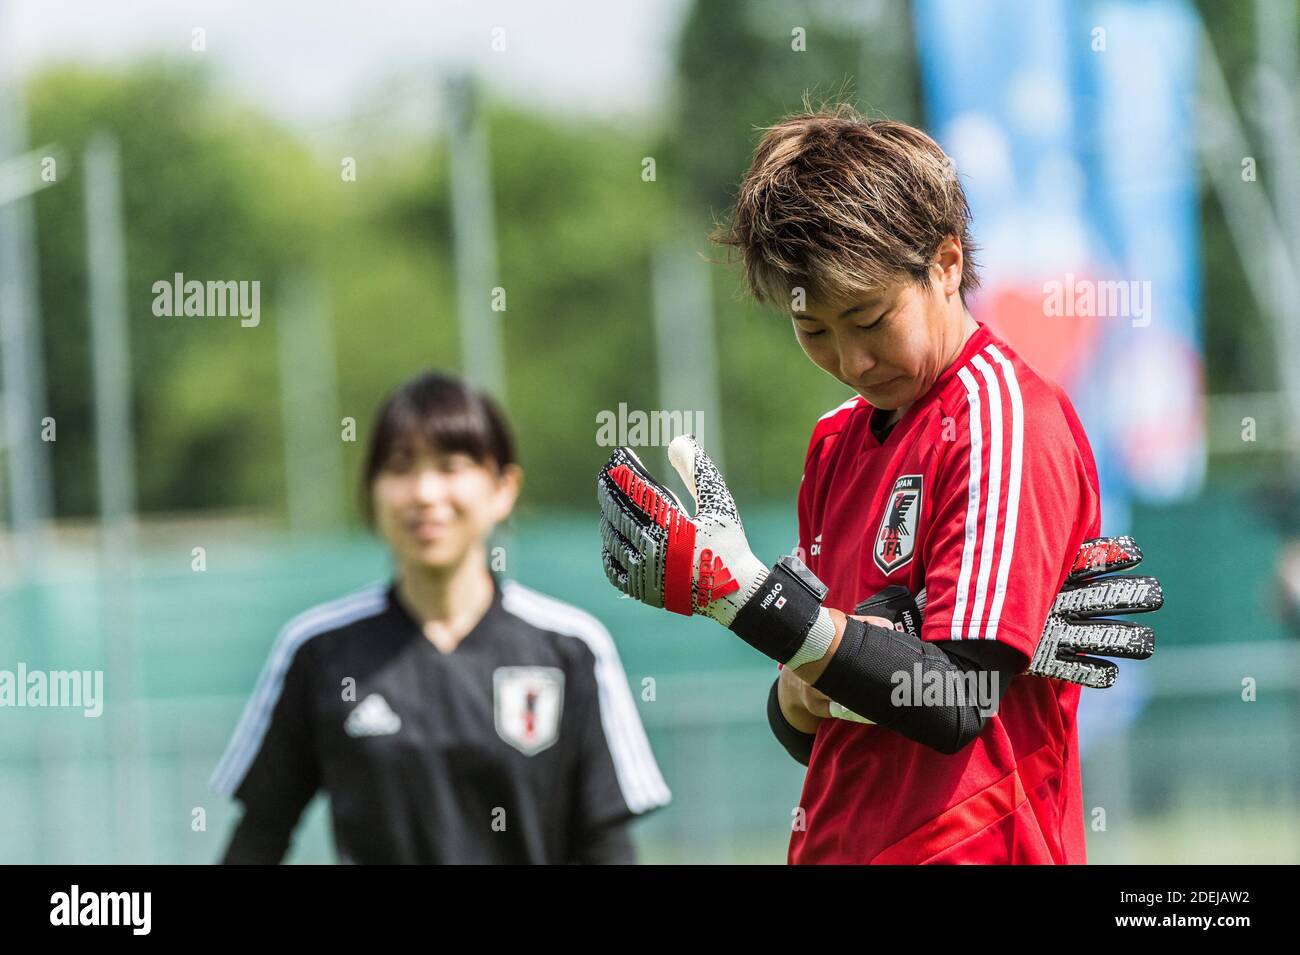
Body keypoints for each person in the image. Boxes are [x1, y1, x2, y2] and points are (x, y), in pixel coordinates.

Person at [597, 107, 1158, 864]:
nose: (853, 360)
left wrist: (748, 601)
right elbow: (810, 722)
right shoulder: (836, 440)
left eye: (870, 318)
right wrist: (820, 664)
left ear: (948, 263)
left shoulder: (1000, 417)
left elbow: (953, 701)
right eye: (816, 330)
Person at [213, 371, 670, 863]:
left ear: (503, 488)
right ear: (371, 491)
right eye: (400, 467)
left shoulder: (571, 646)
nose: (425, 493)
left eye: (452, 466)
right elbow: (261, 832)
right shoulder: (317, 650)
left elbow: (604, 845)